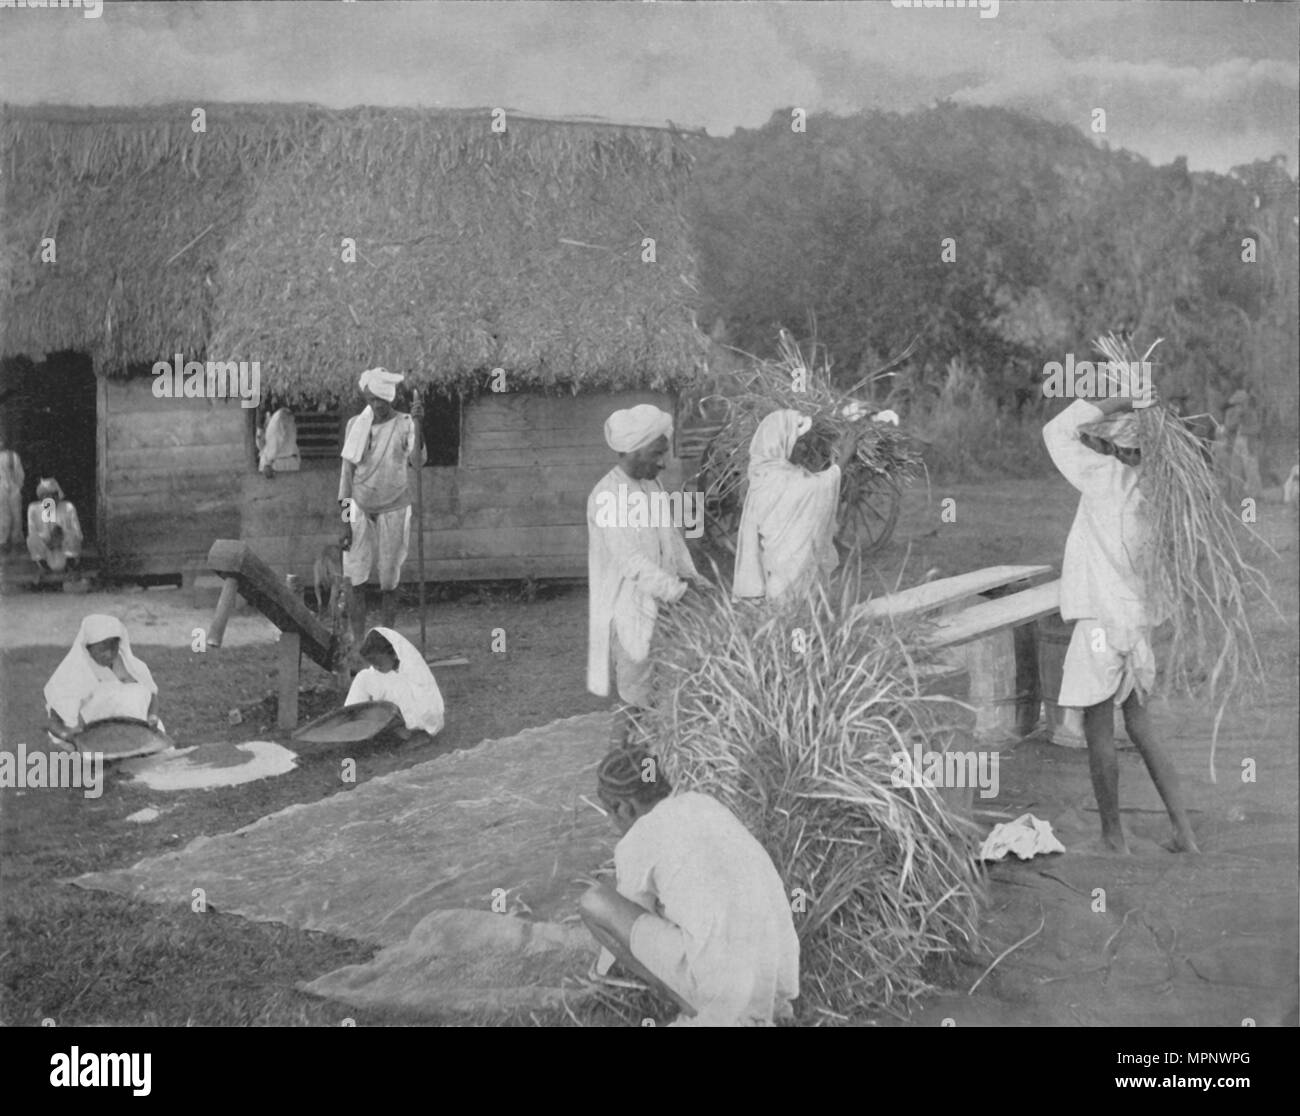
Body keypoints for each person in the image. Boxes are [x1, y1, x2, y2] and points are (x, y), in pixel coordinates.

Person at [1042, 391, 1200, 855]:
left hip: (1099, 624)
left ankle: (1114, 838)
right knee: (1141, 725)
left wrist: (1117, 400)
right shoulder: (1161, 493)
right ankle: (1183, 831)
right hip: (1136, 626)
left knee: (1097, 728)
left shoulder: (1099, 477)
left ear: (1114, 447)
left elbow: (1055, 431)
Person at [579, 748, 800, 1027]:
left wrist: (601, 972)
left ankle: (685, 1002)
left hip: (726, 990)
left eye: (611, 812)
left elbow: (627, 924)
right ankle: (768, 1010)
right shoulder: (704, 803)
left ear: (624, 807)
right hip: (778, 977)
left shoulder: (637, 839)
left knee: (595, 901)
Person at [587, 404, 706, 752]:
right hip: (628, 609)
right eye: (657, 454)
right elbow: (632, 562)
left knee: (665, 684)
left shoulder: (650, 486)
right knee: (634, 694)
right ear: (634, 450)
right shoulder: (607, 496)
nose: (663, 463)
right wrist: (679, 593)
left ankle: (657, 758)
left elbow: (670, 538)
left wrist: (692, 577)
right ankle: (620, 766)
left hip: (662, 605)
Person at [338, 367, 425, 663]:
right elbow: (346, 476)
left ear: (391, 400)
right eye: (372, 399)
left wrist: (418, 422)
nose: (377, 406)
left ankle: (388, 640)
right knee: (354, 577)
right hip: (360, 508)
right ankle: (360, 641)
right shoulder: (355, 425)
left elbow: (416, 463)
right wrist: (345, 521)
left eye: (382, 400)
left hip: (395, 507)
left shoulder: (404, 424)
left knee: (390, 578)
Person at [733, 409, 853, 603]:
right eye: (798, 442)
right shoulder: (783, 478)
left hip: (776, 579)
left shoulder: (761, 474)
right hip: (792, 585)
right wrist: (843, 459)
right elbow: (818, 488)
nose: (803, 449)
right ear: (782, 441)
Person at [44, 615, 161, 745]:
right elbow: (54, 718)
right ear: (87, 647)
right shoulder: (73, 671)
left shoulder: (133, 666)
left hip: (133, 728)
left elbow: (152, 694)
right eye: (102, 649)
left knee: (136, 691)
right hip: (89, 734)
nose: (109, 654)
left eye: (114, 647)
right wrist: (67, 735)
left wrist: (152, 716)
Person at [345, 627, 445, 740]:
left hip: (406, 725)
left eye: (379, 662)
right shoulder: (367, 677)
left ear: (393, 654)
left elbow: (429, 712)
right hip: (377, 723)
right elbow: (351, 707)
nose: (376, 666)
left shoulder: (413, 675)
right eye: (372, 663)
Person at [26, 478, 83, 575]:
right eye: (46, 495)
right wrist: (49, 540)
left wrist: (60, 536)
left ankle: (70, 566)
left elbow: (78, 533)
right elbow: (33, 532)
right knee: (32, 539)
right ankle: (43, 567)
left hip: (65, 547)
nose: (50, 498)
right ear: (41, 497)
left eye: (53, 495)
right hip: (46, 547)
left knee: (73, 536)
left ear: (58, 495)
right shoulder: (33, 508)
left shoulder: (68, 507)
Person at [1224, 388, 1262, 498]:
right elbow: (1229, 426)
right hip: (1238, 441)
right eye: (1236, 405)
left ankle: (1255, 495)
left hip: (1249, 442)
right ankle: (1236, 494)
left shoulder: (1251, 413)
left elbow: (1256, 429)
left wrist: (1245, 430)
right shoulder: (1235, 414)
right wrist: (1237, 417)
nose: (1237, 407)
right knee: (1235, 468)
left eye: (1239, 405)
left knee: (1251, 469)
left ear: (1244, 403)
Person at [257, 406, 301, 477]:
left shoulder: (279, 417)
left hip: (278, 462)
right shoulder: (284, 416)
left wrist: (267, 463)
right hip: (286, 460)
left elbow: (274, 442)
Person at [0, 436, 24, 549]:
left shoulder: (12, 455)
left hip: (13, 488)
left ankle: (16, 539)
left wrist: (17, 486)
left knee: (16, 514)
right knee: (3, 515)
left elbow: (19, 473)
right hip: (1, 489)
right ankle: (3, 540)